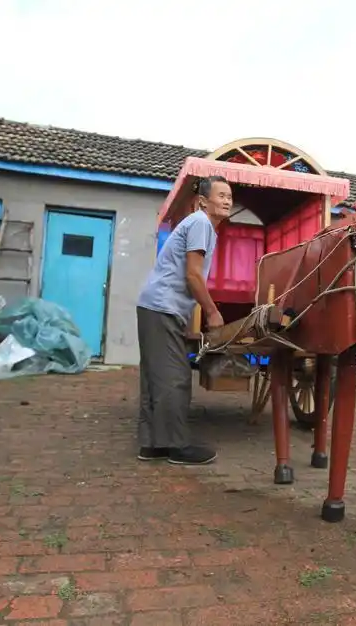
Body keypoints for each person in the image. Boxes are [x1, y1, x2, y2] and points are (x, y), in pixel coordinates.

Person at [135, 175, 231, 465]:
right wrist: (213, 312)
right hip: (161, 307)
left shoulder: (200, 226)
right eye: (221, 195)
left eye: (230, 196)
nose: (227, 200)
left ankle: (152, 445)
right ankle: (176, 447)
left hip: (156, 306)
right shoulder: (201, 222)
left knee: (155, 378)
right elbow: (193, 275)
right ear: (202, 201)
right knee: (174, 377)